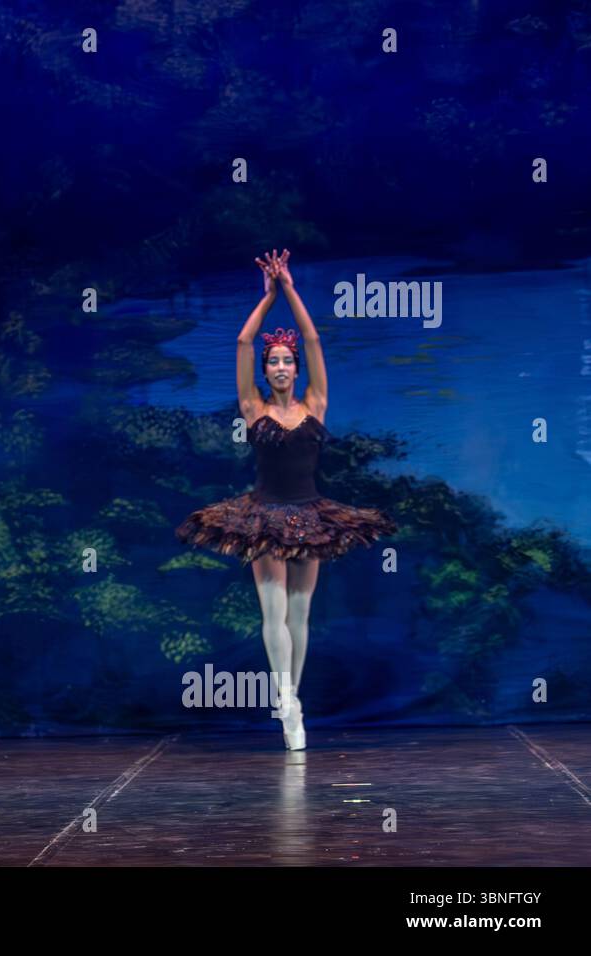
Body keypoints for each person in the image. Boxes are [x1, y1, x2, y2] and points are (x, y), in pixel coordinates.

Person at [175, 249, 396, 751]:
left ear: (296, 370)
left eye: (284, 361)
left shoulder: (315, 403)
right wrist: (267, 296)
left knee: (301, 616)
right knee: (272, 613)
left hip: (311, 517)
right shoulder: (252, 408)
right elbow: (242, 340)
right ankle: (286, 701)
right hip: (263, 518)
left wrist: (291, 290)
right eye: (272, 362)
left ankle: (292, 699)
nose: (277, 366)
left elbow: (315, 339)